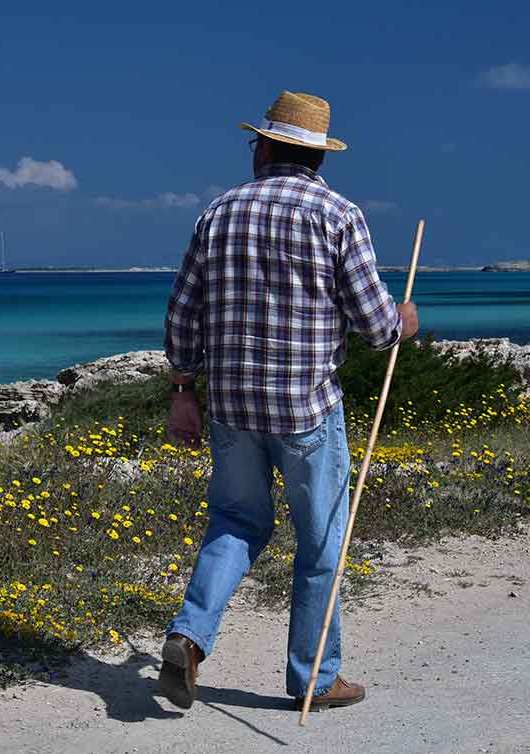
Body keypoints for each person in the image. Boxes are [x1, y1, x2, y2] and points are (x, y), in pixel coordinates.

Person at [159, 90, 420, 712]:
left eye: (257, 143)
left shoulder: (218, 212)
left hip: (230, 407)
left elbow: (182, 314)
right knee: (321, 542)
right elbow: (375, 323)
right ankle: (315, 678)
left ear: (270, 146)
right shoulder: (337, 215)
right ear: (315, 155)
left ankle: (189, 638)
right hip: (306, 410)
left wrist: (182, 392)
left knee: (235, 522)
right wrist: (405, 320)